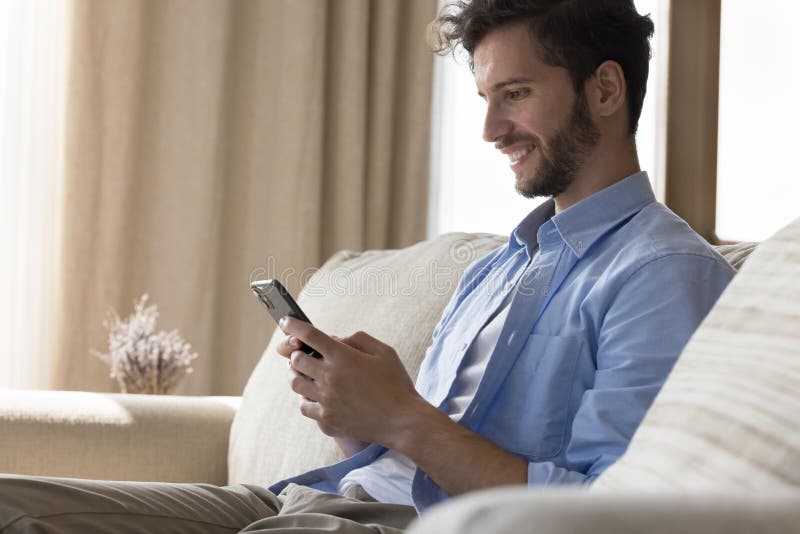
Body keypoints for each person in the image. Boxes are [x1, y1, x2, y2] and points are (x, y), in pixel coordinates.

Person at [0, 1, 735, 532]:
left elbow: (611, 512)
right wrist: (356, 411)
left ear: (604, 90)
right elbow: (412, 453)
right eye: (486, 98)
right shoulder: (498, 267)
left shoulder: (662, 274)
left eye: (515, 95)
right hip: (306, 499)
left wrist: (403, 418)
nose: (490, 129)